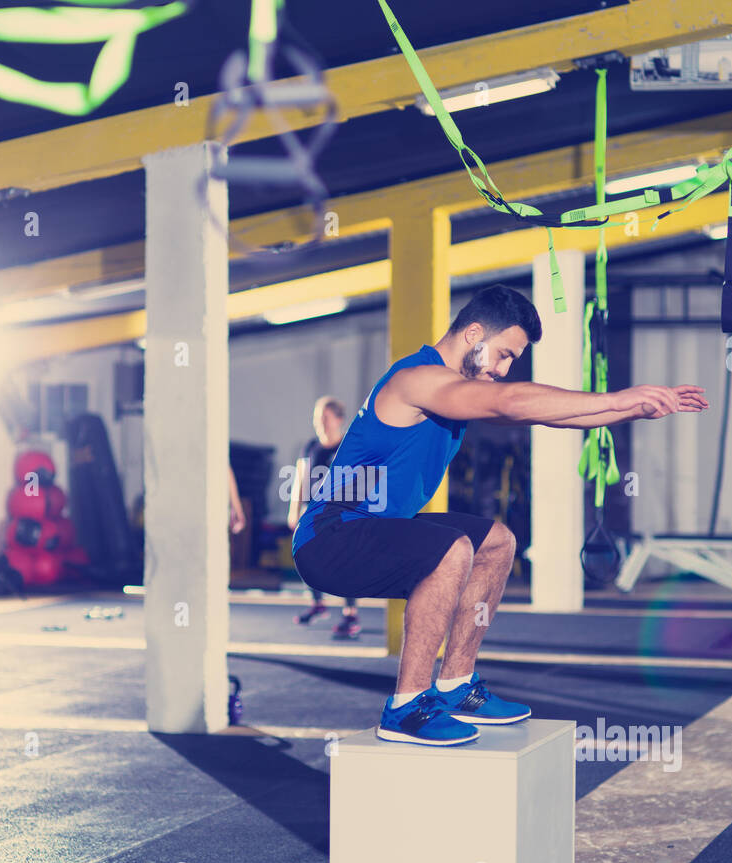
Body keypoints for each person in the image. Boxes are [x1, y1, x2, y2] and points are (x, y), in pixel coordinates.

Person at [292, 284, 707, 747]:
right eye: (504, 355)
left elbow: (540, 414)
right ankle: (405, 707)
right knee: (450, 549)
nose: (505, 369)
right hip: (329, 537)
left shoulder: (454, 394)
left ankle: (454, 686)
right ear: (473, 334)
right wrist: (617, 396)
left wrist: (631, 409)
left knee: (496, 541)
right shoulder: (418, 380)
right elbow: (512, 400)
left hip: (376, 528)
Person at [287, 396, 360, 638]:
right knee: (306, 554)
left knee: (346, 561)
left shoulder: (347, 446)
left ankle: (350, 613)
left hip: (340, 513)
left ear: (339, 419)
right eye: (317, 418)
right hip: (312, 513)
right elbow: (299, 478)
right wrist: (294, 509)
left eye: (325, 418)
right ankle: (318, 603)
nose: (320, 423)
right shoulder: (310, 447)